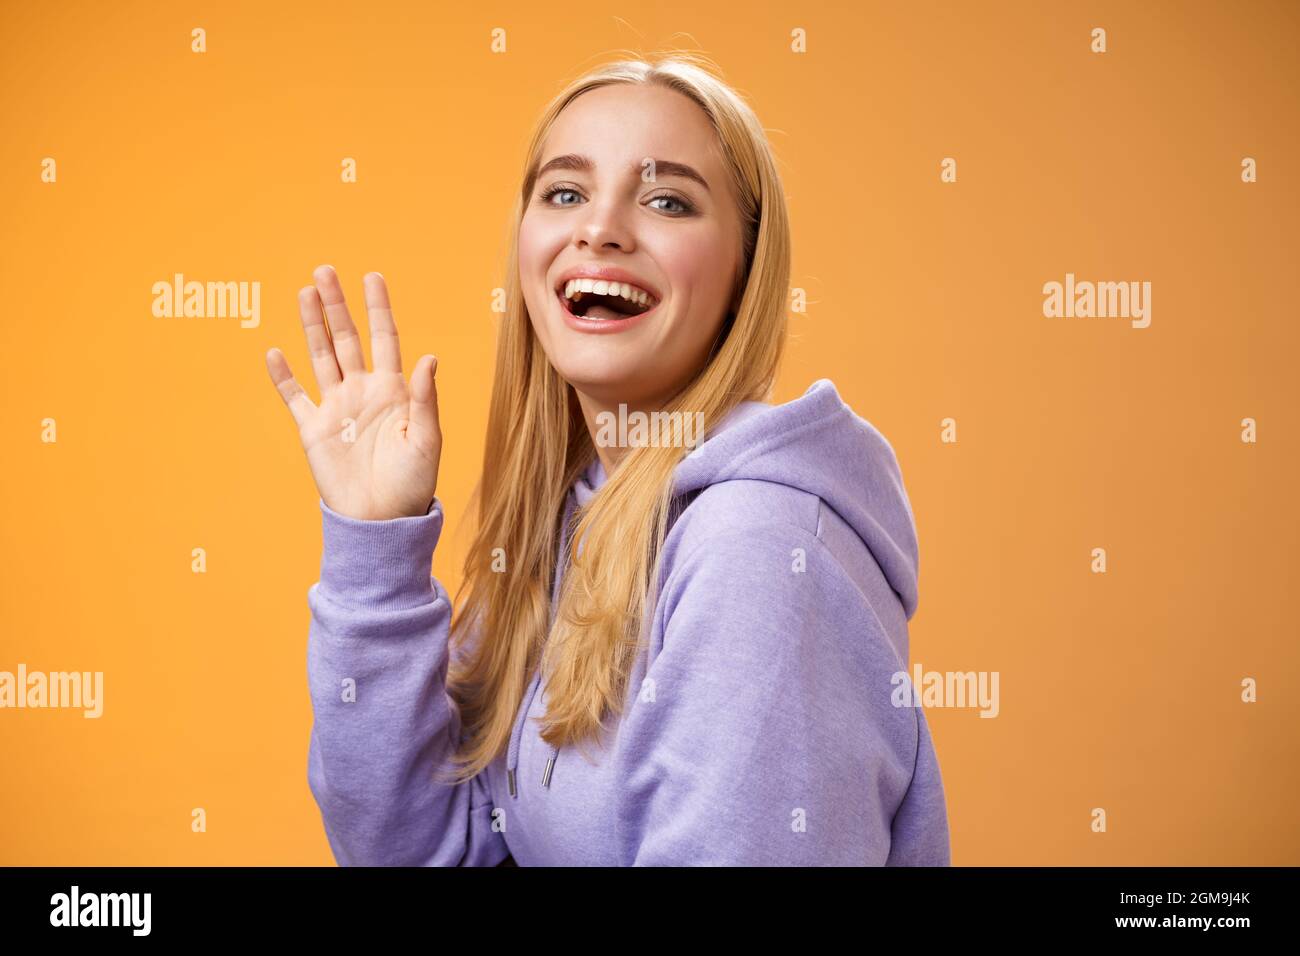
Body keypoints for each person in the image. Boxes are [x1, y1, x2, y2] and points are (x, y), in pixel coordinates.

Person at [265, 52, 950, 866]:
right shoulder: (570, 517)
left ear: (743, 276)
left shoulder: (759, 548)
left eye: (667, 200)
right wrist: (376, 548)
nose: (600, 228)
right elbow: (424, 852)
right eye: (565, 192)